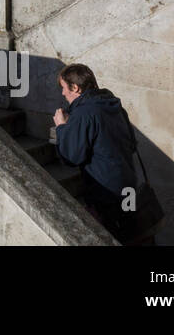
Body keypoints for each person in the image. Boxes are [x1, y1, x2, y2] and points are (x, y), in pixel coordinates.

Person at [53, 64, 153, 244]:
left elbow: (71, 157)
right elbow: (131, 143)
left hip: (106, 193)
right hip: (128, 185)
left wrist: (62, 128)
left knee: (115, 236)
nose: (62, 93)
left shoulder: (84, 112)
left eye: (63, 87)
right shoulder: (113, 105)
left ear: (75, 87)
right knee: (134, 234)